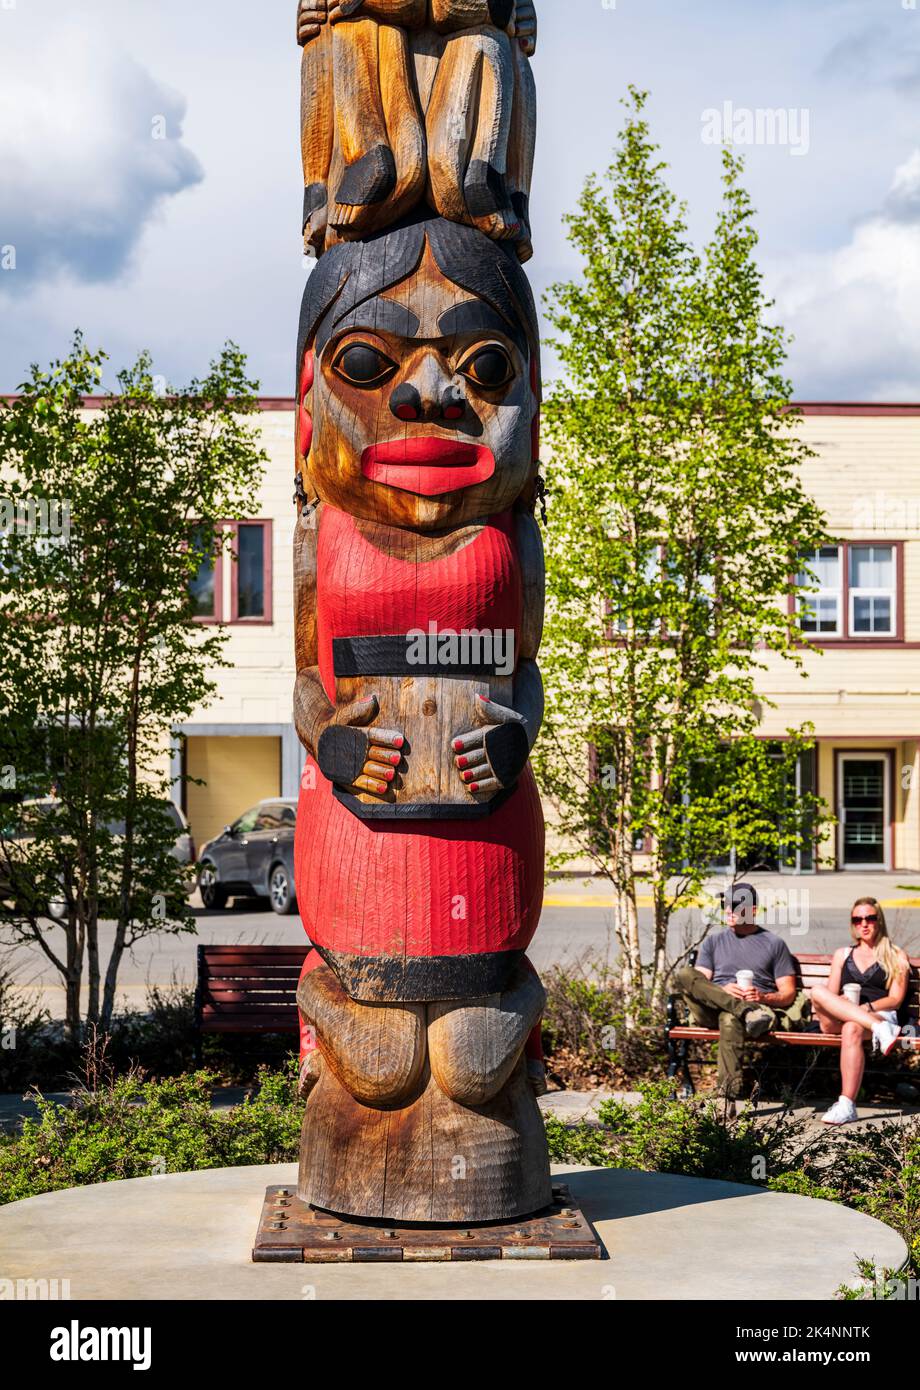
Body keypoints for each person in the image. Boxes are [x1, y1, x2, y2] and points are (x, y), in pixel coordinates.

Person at [673, 882, 808, 1103]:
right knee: (685, 974)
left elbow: (788, 994)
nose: (728, 909)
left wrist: (761, 997)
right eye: (725, 904)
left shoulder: (774, 944)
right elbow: (698, 983)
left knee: (729, 1019)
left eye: (735, 905)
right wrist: (722, 990)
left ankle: (728, 1099)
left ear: (752, 910)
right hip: (712, 1009)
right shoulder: (714, 942)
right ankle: (742, 1010)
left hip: (757, 1012)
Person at [810, 898, 910, 1126]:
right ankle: (881, 1031)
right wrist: (845, 1004)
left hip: (879, 1014)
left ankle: (846, 1104)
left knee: (852, 1028)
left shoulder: (896, 955)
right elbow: (830, 993)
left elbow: (895, 999)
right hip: (841, 1018)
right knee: (817, 991)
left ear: (879, 921)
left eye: (870, 918)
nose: (864, 924)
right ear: (852, 924)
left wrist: (867, 1008)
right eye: (857, 919)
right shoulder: (842, 954)